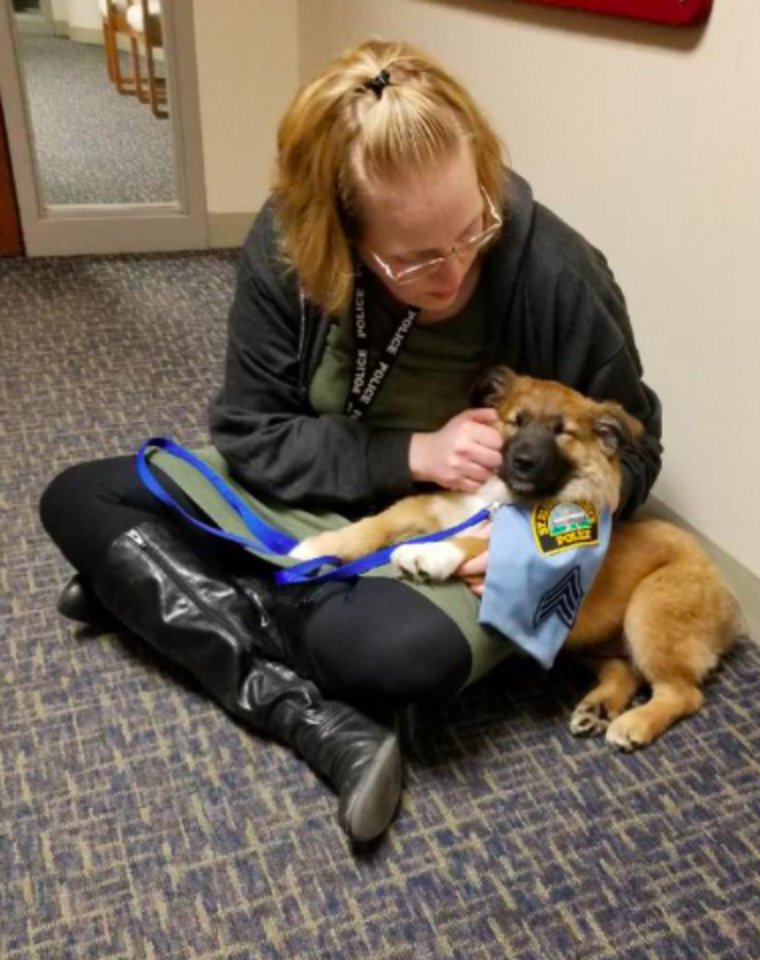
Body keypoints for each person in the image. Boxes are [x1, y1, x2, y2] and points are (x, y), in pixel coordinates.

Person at [39, 39, 663, 844]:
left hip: (460, 533)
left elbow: (636, 457)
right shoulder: (287, 244)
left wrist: (534, 545)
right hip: (313, 487)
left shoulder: (557, 272)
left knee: (400, 657)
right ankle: (314, 718)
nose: (454, 272)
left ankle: (161, 589)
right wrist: (409, 455)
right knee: (78, 496)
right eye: (414, 260)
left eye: (472, 229)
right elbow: (250, 430)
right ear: (339, 232)